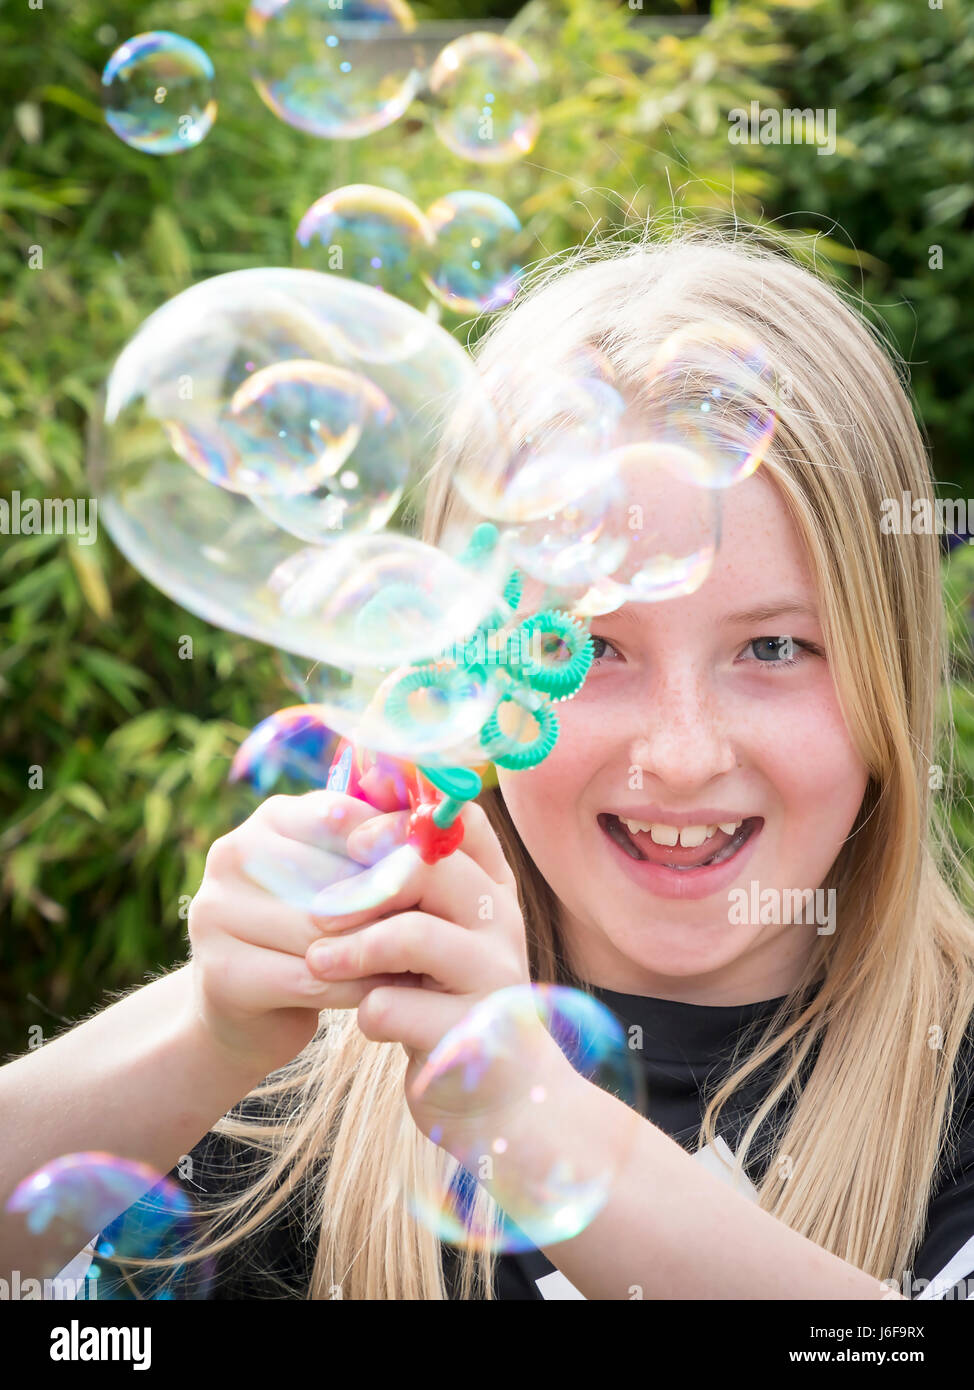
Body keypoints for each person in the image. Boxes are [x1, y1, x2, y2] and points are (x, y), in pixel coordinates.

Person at [4, 223, 974, 1301]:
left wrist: (538, 1130)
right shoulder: (290, 1133)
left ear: (887, 664)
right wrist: (202, 1033)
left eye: (775, 647)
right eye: (591, 648)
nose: (683, 754)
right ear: (464, 666)